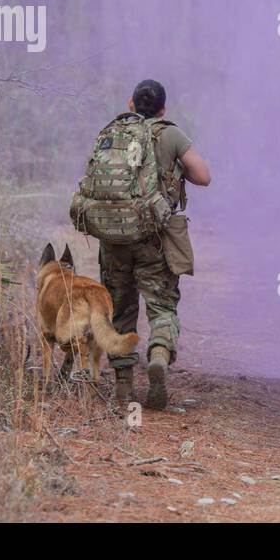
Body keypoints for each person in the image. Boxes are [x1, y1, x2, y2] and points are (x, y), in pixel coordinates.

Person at [99, 79, 210, 409]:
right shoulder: (170, 134)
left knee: (120, 309)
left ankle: (122, 388)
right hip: (154, 237)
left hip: (114, 237)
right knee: (162, 306)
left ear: (130, 103)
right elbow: (203, 177)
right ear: (163, 108)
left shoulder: (111, 131)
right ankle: (159, 354)